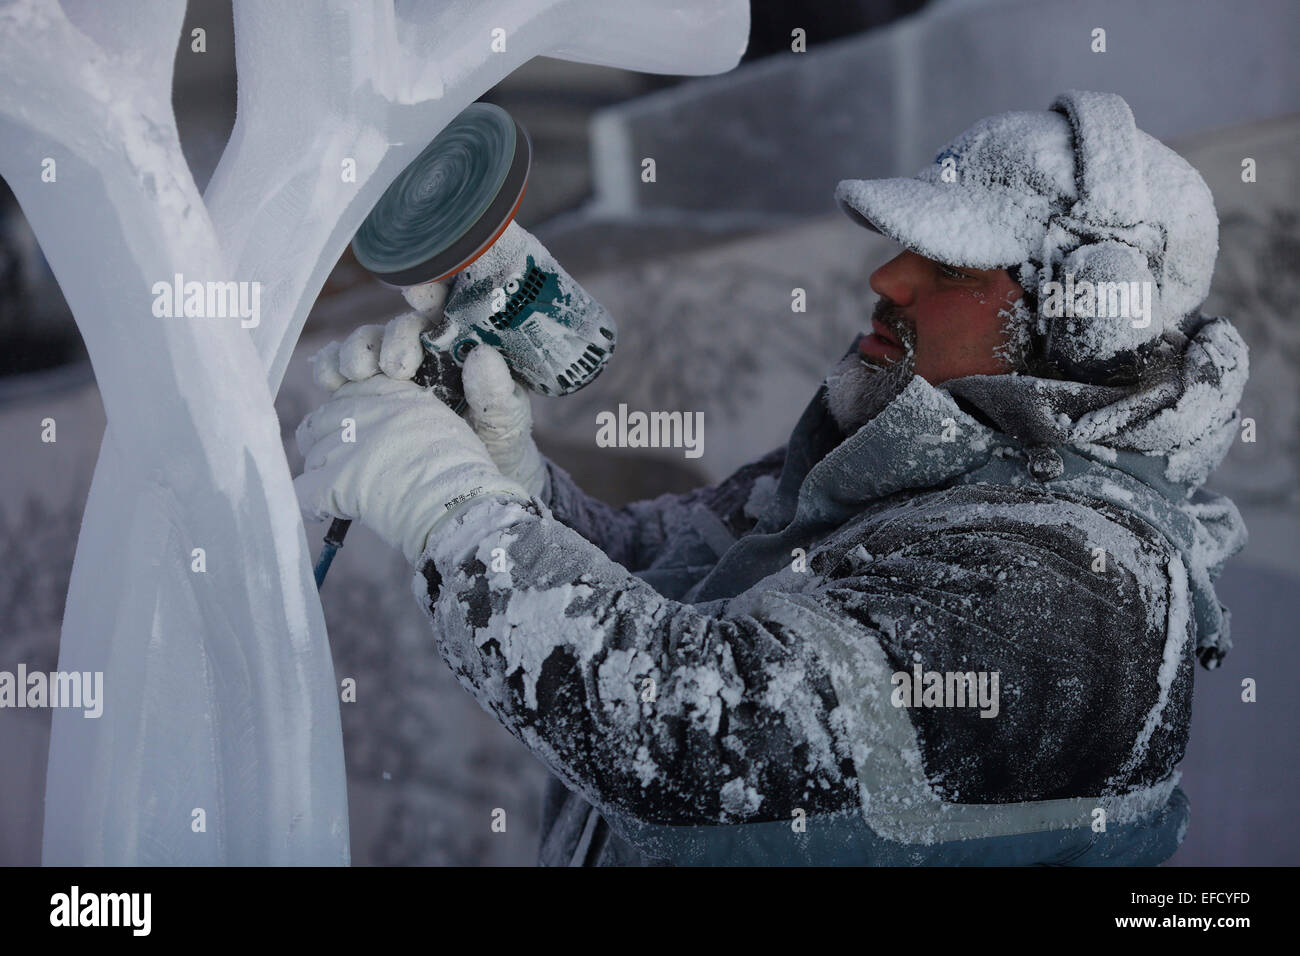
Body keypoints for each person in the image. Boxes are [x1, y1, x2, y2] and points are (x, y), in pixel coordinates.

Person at [294, 90, 1248, 865]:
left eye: (953, 264)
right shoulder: (900, 463)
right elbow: (656, 576)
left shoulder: (1076, 588)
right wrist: (512, 481)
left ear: (1080, 318)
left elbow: (696, 735)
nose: (890, 276)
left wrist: (451, 509)